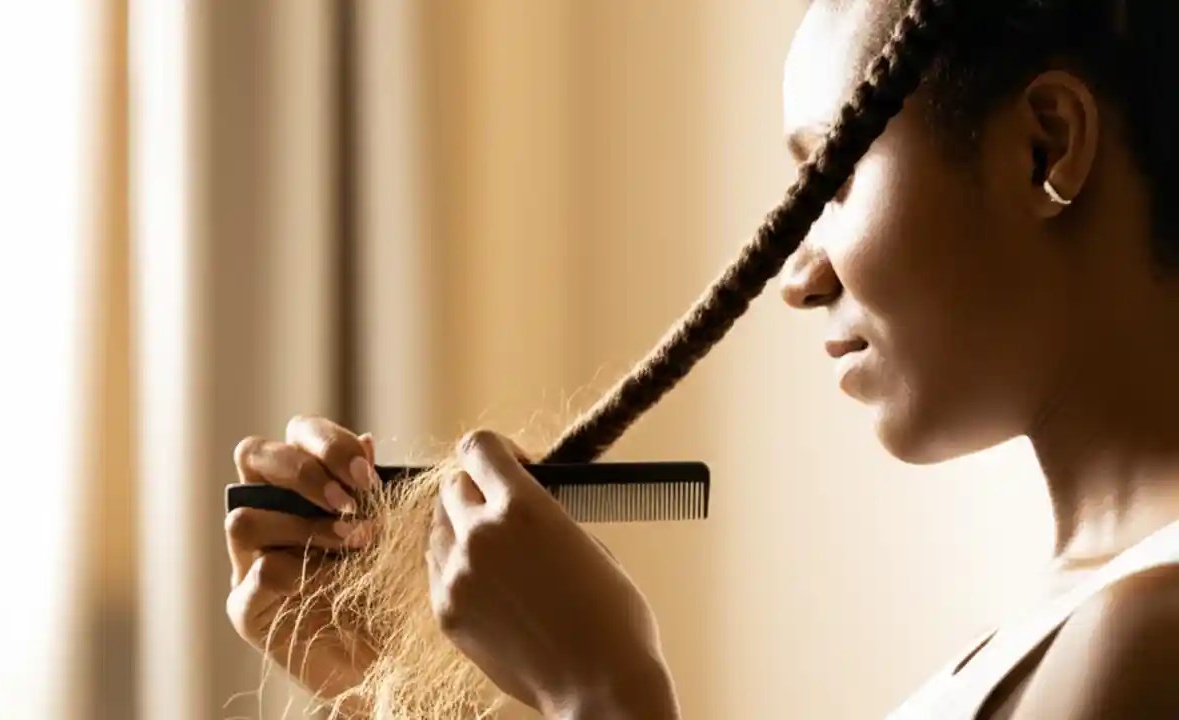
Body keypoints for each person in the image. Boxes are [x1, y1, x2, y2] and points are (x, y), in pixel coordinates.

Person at [224, 0, 1179, 717]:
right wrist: (370, 680)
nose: (798, 277)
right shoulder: (1068, 625)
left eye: (831, 179)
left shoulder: (1144, 638)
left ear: (1044, 147)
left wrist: (606, 691)